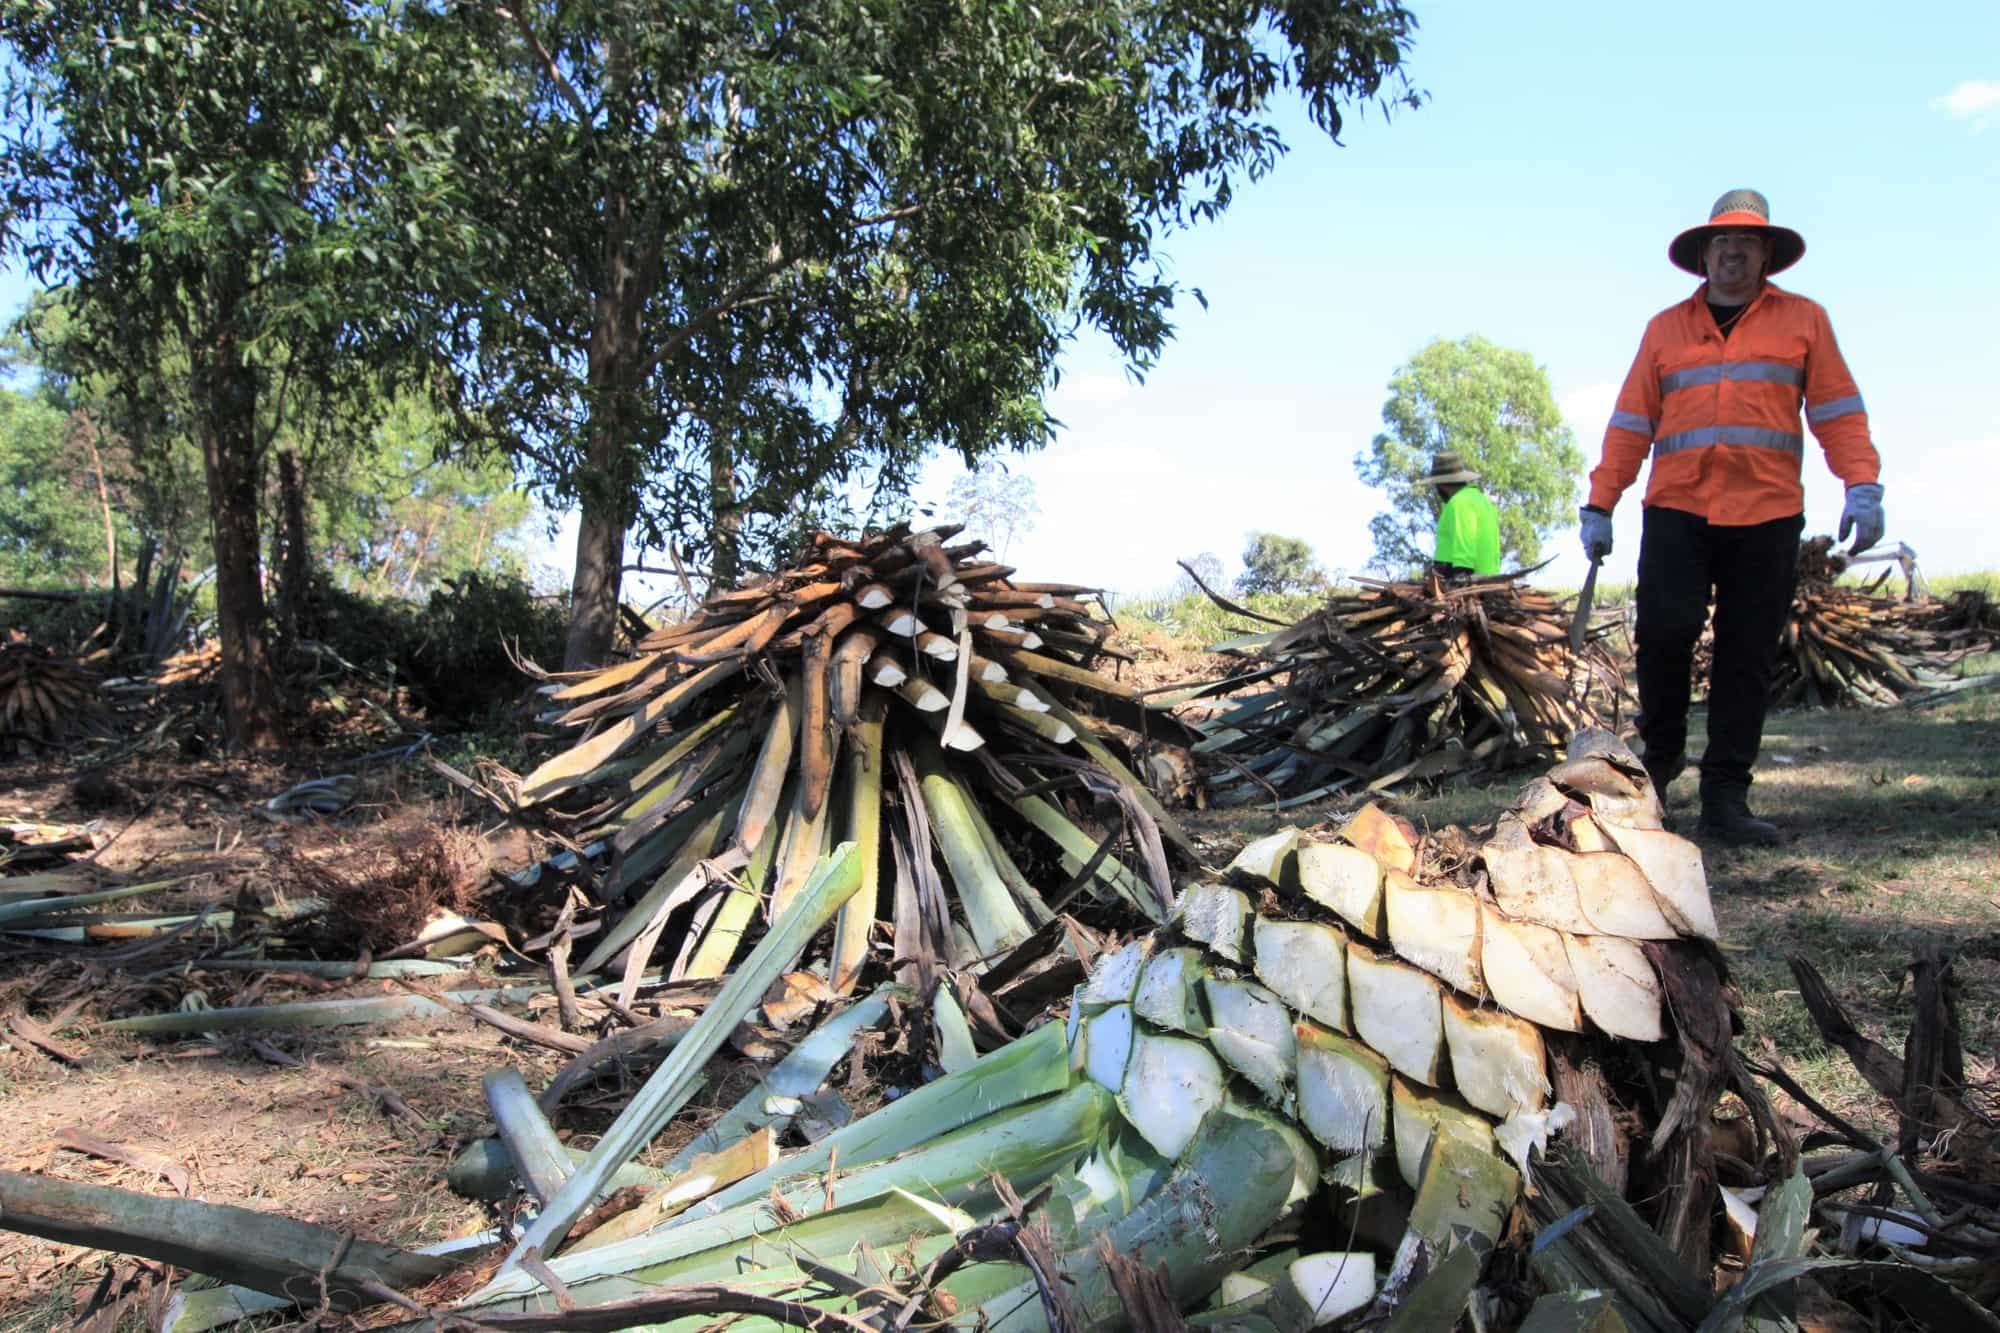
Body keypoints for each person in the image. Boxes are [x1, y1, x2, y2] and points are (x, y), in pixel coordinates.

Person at [1579, 189, 1883, 846]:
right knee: (1664, 633)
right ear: (1704, 253)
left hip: (1767, 514)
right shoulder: (1665, 329)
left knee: (1747, 655)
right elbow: (1631, 423)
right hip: (1677, 509)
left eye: (1747, 241)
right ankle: (1657, 775)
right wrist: (1600, 503)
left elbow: (1837, 411)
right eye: (1722, 241)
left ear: (1767, 253)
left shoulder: (1804, 321)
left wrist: (1862, 485)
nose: (1733, 252)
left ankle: (1725, 798)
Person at [1418, 450, 1502, 578]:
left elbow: (1465, 544)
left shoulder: (1459, 502)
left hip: (1469, 580)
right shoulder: (1482, 500)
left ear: (1441, 485)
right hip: (1488, 577)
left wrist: (1460, 575)